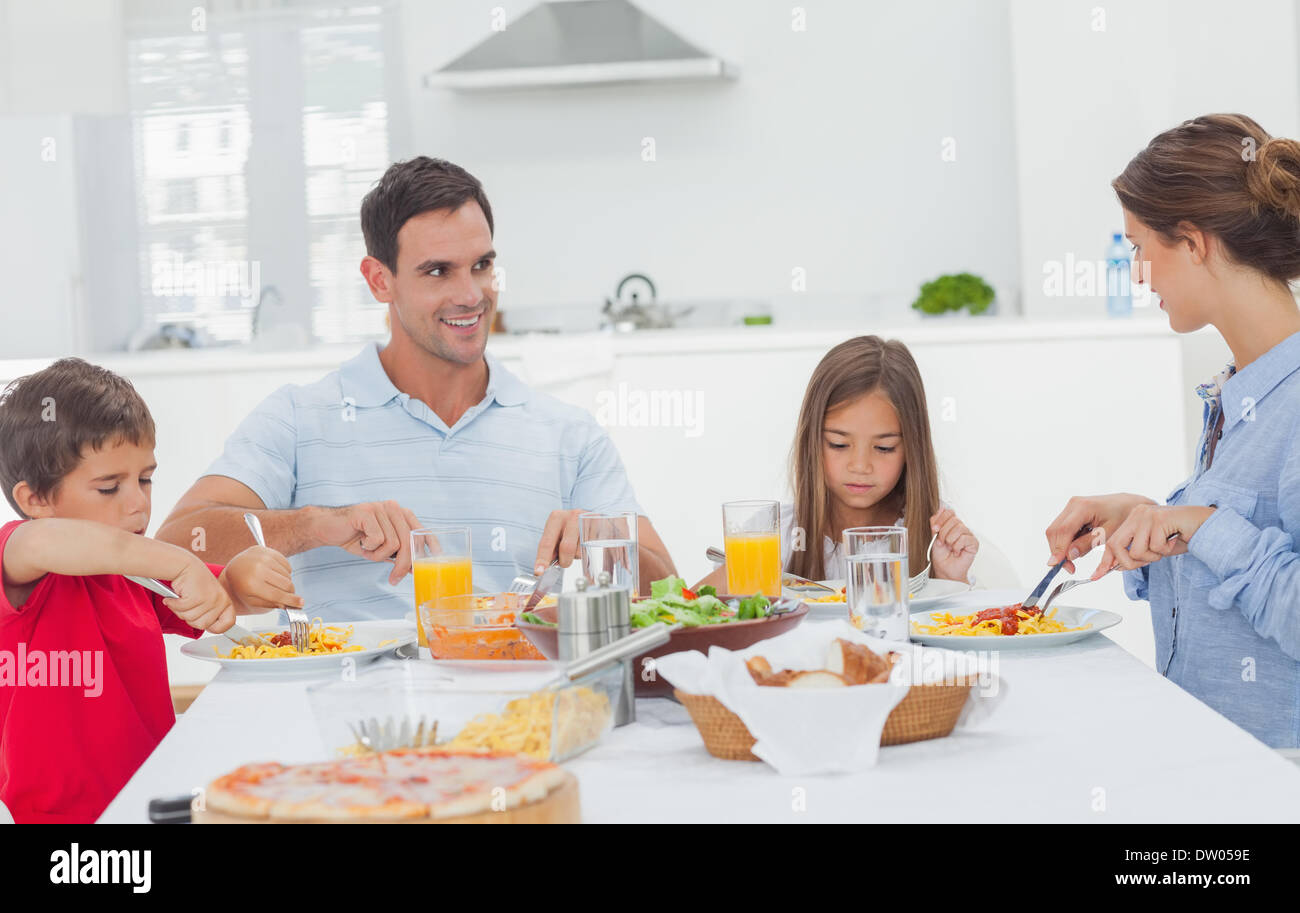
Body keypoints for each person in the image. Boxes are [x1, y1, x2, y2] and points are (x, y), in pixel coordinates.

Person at [157, 156, 675, 617]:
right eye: (438, 272)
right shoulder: (299, 417)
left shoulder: (568, 433)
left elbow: (670, 592)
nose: (470, 295)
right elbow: (180, 540)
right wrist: (312, 525)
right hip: (347, 716)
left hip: (519, 713)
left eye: (482, 265)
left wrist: (601, 541)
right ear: (380, 280)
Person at [1045, 113, 1300, 748]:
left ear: (1193, 241)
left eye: (1139, 247)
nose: (1137, 273)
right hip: (1212, 763)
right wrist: (1153, 517)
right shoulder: (1238, 395)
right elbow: (1234, 571)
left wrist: (1206, 525)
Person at [0, 358, 300, 822]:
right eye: (108, 488)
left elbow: (213, 591)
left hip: (153, 799)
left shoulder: (136, 576)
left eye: (144, 479)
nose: (139, 502)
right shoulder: (24, 558)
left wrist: (241, 580)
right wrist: (180, 561)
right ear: (35, 500)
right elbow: (47, 541)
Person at [698, 335, 978, 589]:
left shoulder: (932, 533)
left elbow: (960, 629)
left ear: (912, 449)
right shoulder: (772, 534)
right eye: (839, 444)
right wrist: (738, 581)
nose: (860, 465)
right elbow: (688, 613)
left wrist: (952, 580)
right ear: (812, 441)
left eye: (884, 447)